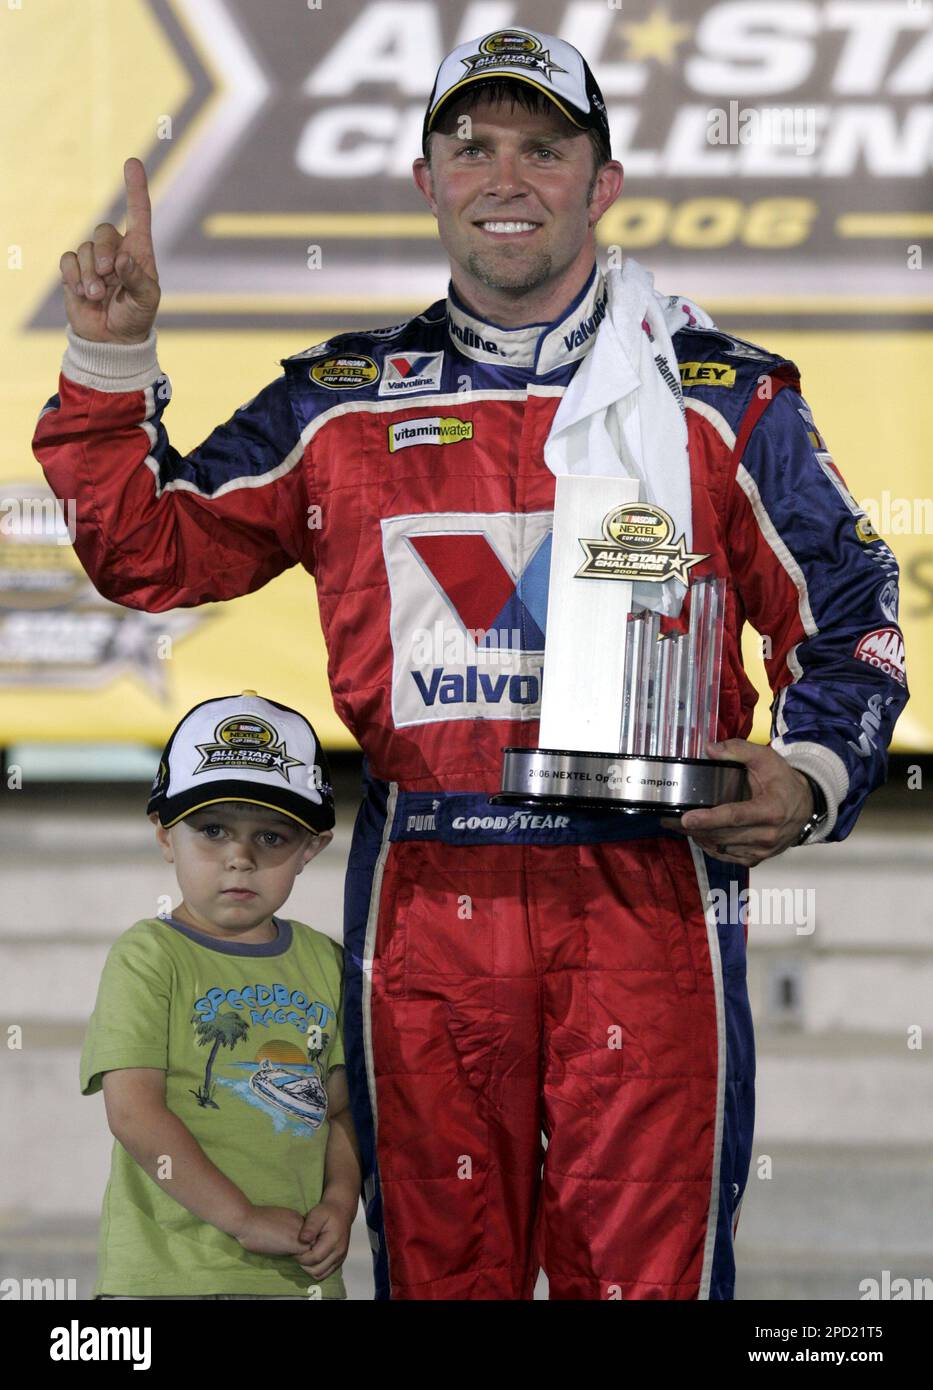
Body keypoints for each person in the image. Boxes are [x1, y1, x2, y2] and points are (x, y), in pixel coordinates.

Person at [36, 28, 907, 1300]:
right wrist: (111, 363)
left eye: (545, 148)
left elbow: (853, 603)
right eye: (474, 146)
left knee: (645, 1281)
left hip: (646, 892)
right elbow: (153, 553)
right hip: (427, 896)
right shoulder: (343, 404)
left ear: (602, 184)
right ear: (425, 179)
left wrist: (814, 769)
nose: (508, 176)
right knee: (443, 1277)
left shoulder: (722, 399)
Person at [80, 691, 361, 1299]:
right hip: (166, 1281)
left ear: (310, 847)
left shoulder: (324, 961)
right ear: (164, 836)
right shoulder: (150, 957)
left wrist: (340, 1203)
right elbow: (133, 1112)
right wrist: (240, 1217)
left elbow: (340, 1112)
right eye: (212, 830)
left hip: (298, 1282)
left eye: (272, 837)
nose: (239, 858)